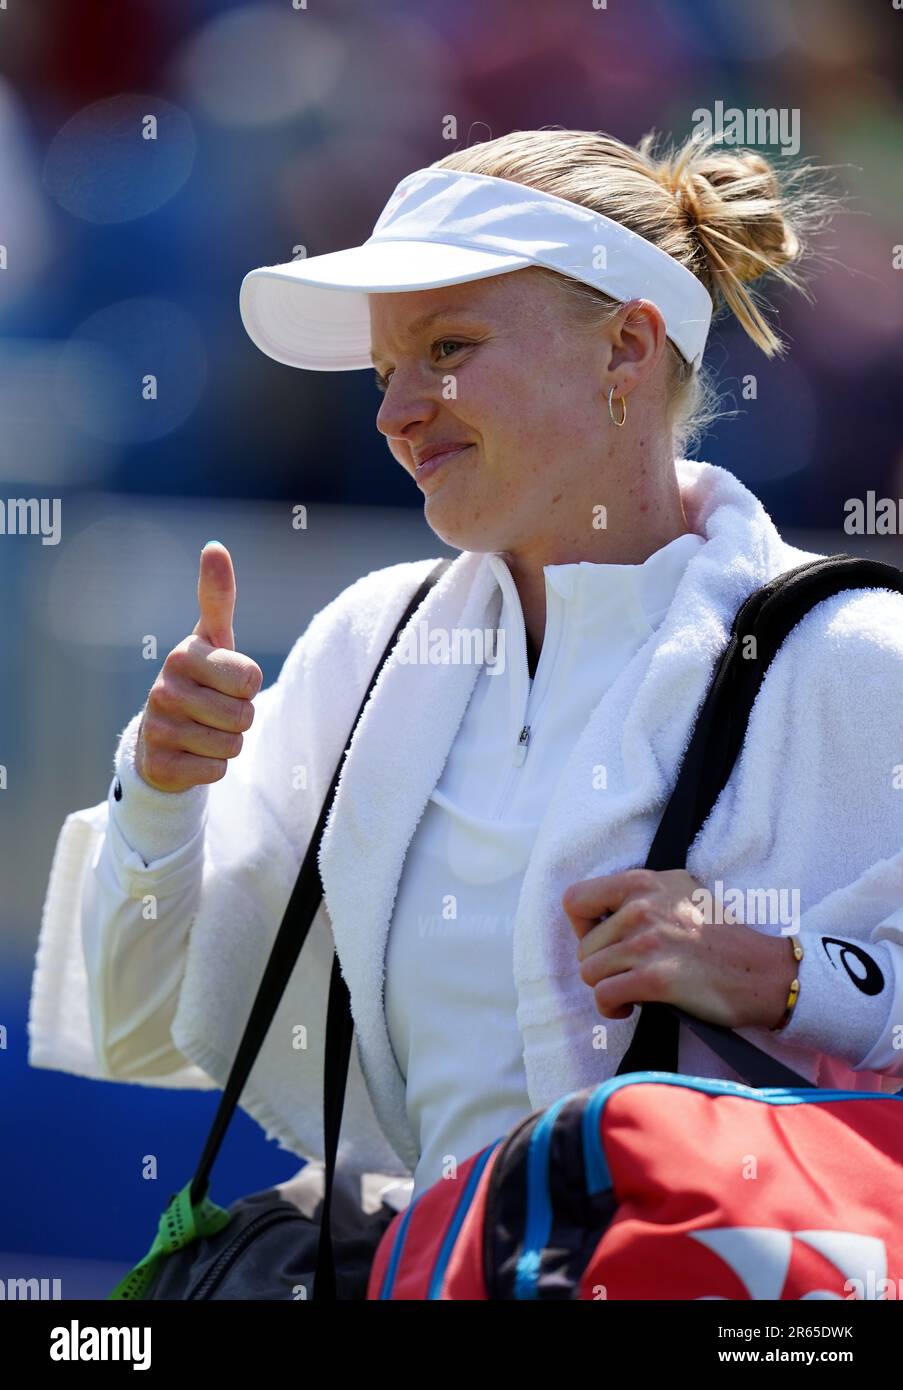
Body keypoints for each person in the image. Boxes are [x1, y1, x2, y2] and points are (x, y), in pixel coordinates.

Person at [30, 128, 903, 1208]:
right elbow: (137, 1022)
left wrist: (791, 978)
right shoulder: (367, 644)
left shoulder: (859, 655)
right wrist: (161, 795)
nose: (396, 411)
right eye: (389, 368)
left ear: (627, 347)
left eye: (447, 347)